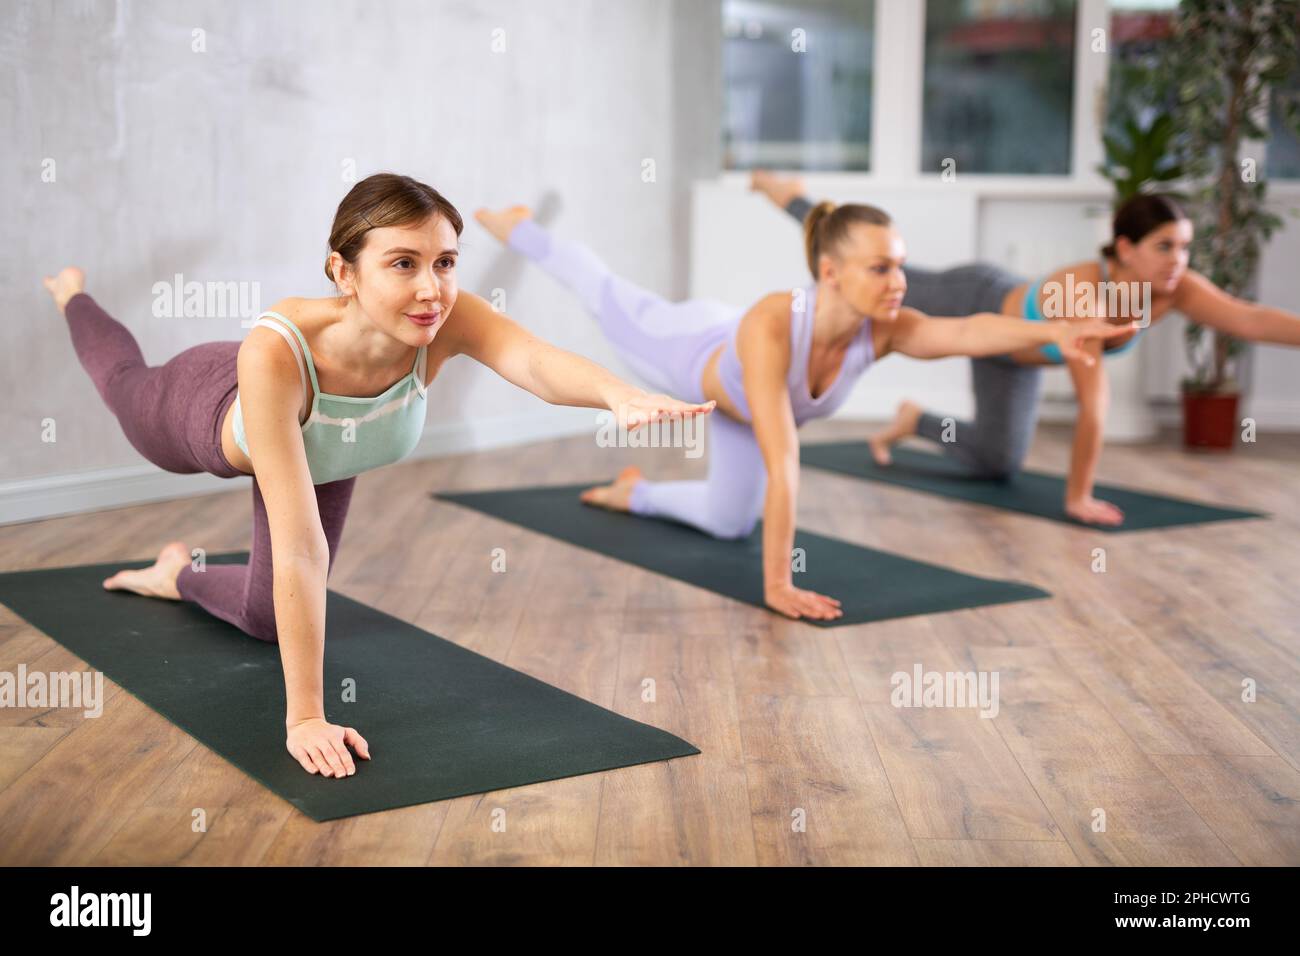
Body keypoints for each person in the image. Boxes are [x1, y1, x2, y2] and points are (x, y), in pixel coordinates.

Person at [44, 172, 714, 779]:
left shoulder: (445, 319)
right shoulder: (278, 348)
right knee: (123, 383)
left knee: (265, 620)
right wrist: (306, 716)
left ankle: (175, 574)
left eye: (445, 262)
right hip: (209, 404)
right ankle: (73, 294)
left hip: (331, 449)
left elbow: (534, 362)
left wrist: (616, 395)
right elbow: (301, 549)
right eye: (403, 264)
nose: (431, 288)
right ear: (345, 271)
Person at [475, 200, 1133, 621]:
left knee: (730, 524)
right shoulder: (772, 325)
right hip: (685, 349)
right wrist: (777, 585)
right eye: (880, 268)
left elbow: (969, 332)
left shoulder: (888, 327)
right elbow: (783, 457)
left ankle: (636, 492)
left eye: (900, 266)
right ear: (831, 272)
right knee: (606, 295)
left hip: (737, 409)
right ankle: (518, 225)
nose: (898, 281)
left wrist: (1055, 334)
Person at [753, 171, 1300, 525]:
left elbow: (1250, 319)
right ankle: (783, 191)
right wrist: (1076, 497)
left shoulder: (1176, 290)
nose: (1177, 259)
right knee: (865, 264)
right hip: (976, 297)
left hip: (1012, 358)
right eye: (1164, 247)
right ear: (1127, 249)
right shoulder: (1089, 291)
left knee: (998, 464)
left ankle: (912, 419)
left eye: (1184, 247)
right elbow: (1094, 403)